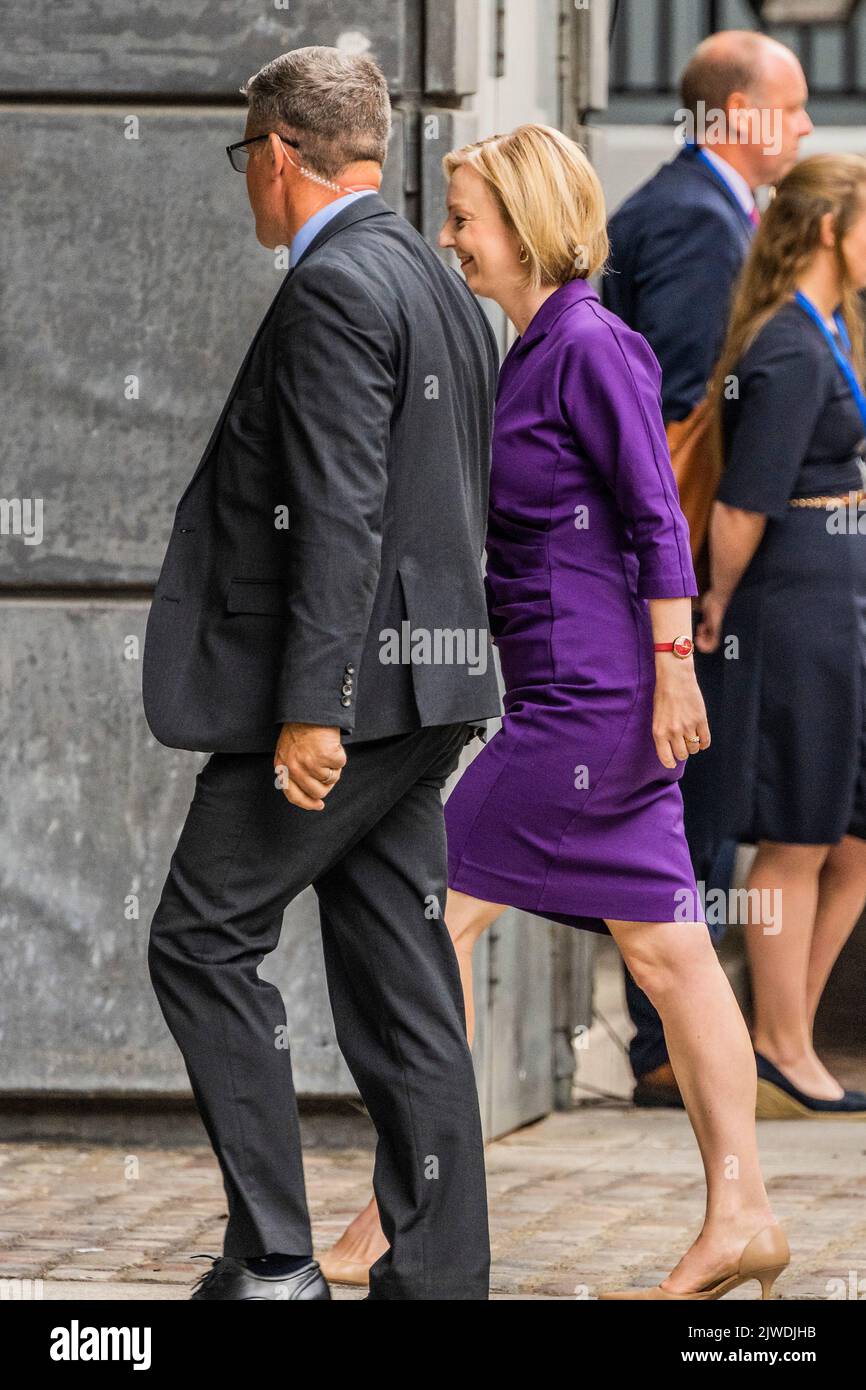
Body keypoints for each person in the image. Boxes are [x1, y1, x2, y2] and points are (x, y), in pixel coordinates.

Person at [322, 123, 790, 1301]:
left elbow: (651, 517)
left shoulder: (591, 343)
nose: (446, 238)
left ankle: (405, 1207)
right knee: (672, 956)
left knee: (424, 921)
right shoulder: (527, 346)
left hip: (592, 703)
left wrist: (674, 669)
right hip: (572, 694)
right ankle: (742, 1215)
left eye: (464, 217)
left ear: (524, 225)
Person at [142, 46, 503, 1301]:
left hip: (344, 699)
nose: (250, 184)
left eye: (250, 159)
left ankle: (276, 1257)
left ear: (283, 156)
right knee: (403, 979)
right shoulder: (432, 277)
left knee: (199, 938)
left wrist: (312, 708)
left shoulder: (336, 286)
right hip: (426, 689)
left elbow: (341, 512)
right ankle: (441, 1278)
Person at [603, 30, 813, 1108]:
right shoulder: (691, 219)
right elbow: (683, 410)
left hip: (677, 566)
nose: (807, 127)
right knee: (688, 806)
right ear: (733, 115)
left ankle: (668, 1038)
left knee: (698, 804)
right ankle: (660, 1045)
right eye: (792, 106)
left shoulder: (706, 210)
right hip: (674, 566)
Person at [696, 154, 866, 1120]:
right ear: (832, 228)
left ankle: (788, 1032)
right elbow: (743, 503)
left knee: (848, 833)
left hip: (834, 598)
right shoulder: (791, 347)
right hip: (792, 604)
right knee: (798, 832)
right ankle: (781, 1043)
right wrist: (716, 604)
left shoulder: (829, 328)